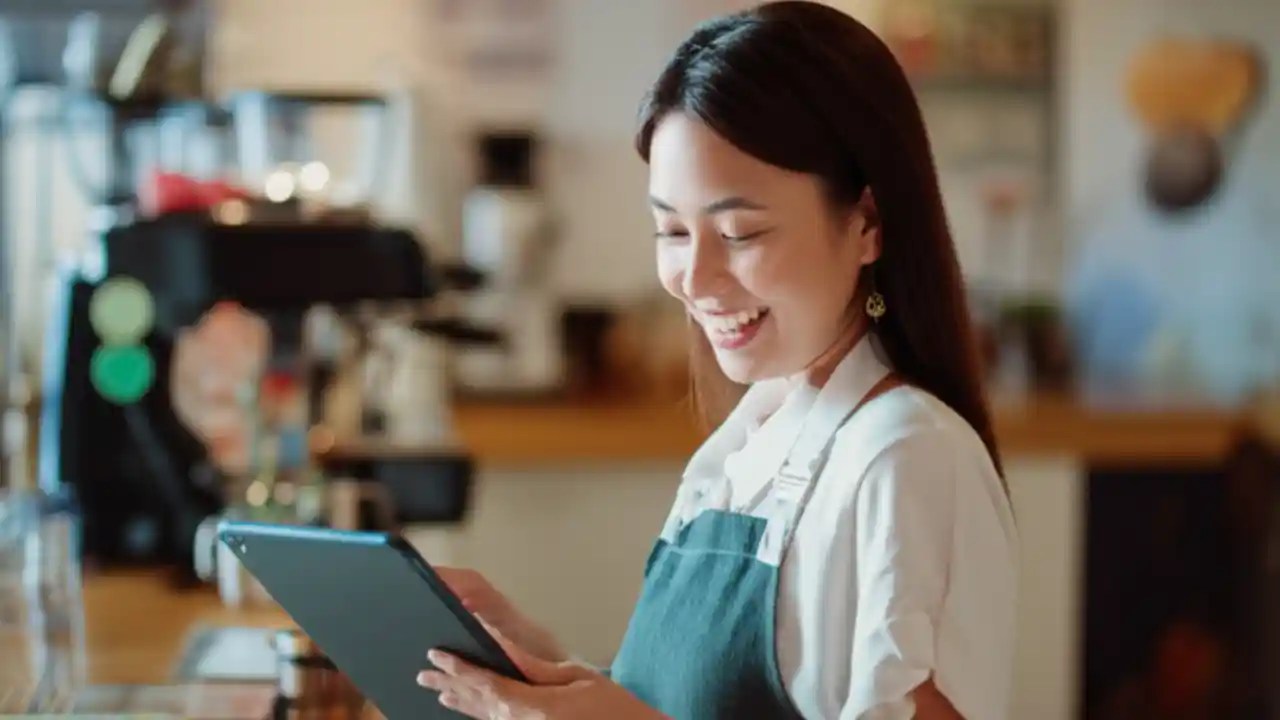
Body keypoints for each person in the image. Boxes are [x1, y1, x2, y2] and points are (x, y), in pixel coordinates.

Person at [416, 2, 1018, 717]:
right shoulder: (752, 437)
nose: (693, 280)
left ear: (867, 223)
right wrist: (542, 666)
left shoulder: (905, 458)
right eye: (671, 230)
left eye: (738, 232)